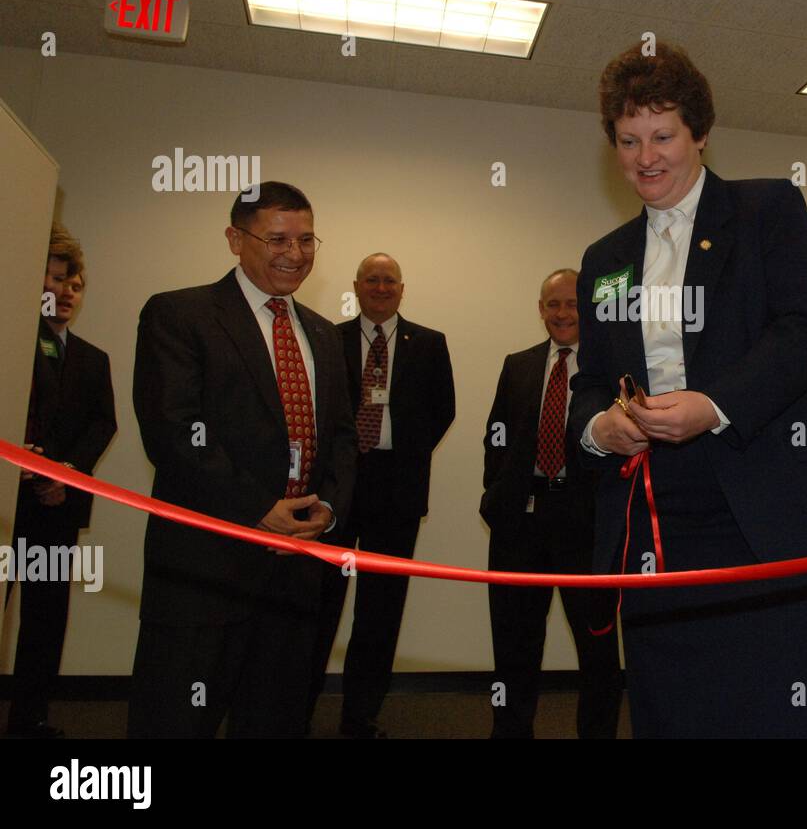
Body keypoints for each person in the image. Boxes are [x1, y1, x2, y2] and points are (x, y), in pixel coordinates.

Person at [568, 43, 807, 738]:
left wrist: (713, 404)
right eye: (628, 139)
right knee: (679, 710)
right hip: (663, 523)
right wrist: (601, 428)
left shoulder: (767, 209)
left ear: (700, 133)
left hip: (780, 511)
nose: (646, 156)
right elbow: (590, 384)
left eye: (663, 135)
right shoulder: (604, 261)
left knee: (795, 712)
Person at [128, 182, 357, 738]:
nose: (295, 254)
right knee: (175, 724)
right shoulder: (179, 314)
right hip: (203, 575)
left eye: (307, 240)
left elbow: (344, 441)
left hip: (295, 578)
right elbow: (173, 433)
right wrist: (258, 508)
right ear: (235, 239)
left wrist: (327, 505)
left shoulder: (324, 335)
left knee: (274, 722)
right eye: (278, 238)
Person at [307, 253, 455, 739]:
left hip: (398, 489)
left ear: (402, 288)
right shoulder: (329, 338)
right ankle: (296, 708)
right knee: (320, 604)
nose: (380, 287)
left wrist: (405, 453)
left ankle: (360, 715)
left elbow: (442, 410)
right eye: (371, 279)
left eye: (389, 280)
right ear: (356, 285)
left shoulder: (429, 344)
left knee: (380, 610)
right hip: (337, 486)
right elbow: (317, 409)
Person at [480, 269, 622, 739]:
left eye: (572, 304)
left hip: (586, 525)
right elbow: (496, 435)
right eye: (552, 305)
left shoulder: (608, 368)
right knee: (514, 644)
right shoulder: (517, 364)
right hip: (521, 523)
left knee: (596, 648)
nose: (562, 314)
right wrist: (496, 496)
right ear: (540, 309)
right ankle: (511, 731)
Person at [5, 224, 116, 739]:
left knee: (46, 619)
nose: (67, 291)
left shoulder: (94, 359)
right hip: (6, 505)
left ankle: (30, 718)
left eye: (76, 284)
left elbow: (103, 423)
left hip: (57, 507)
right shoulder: (10, 345)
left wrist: (67, 474)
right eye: (57, 279)